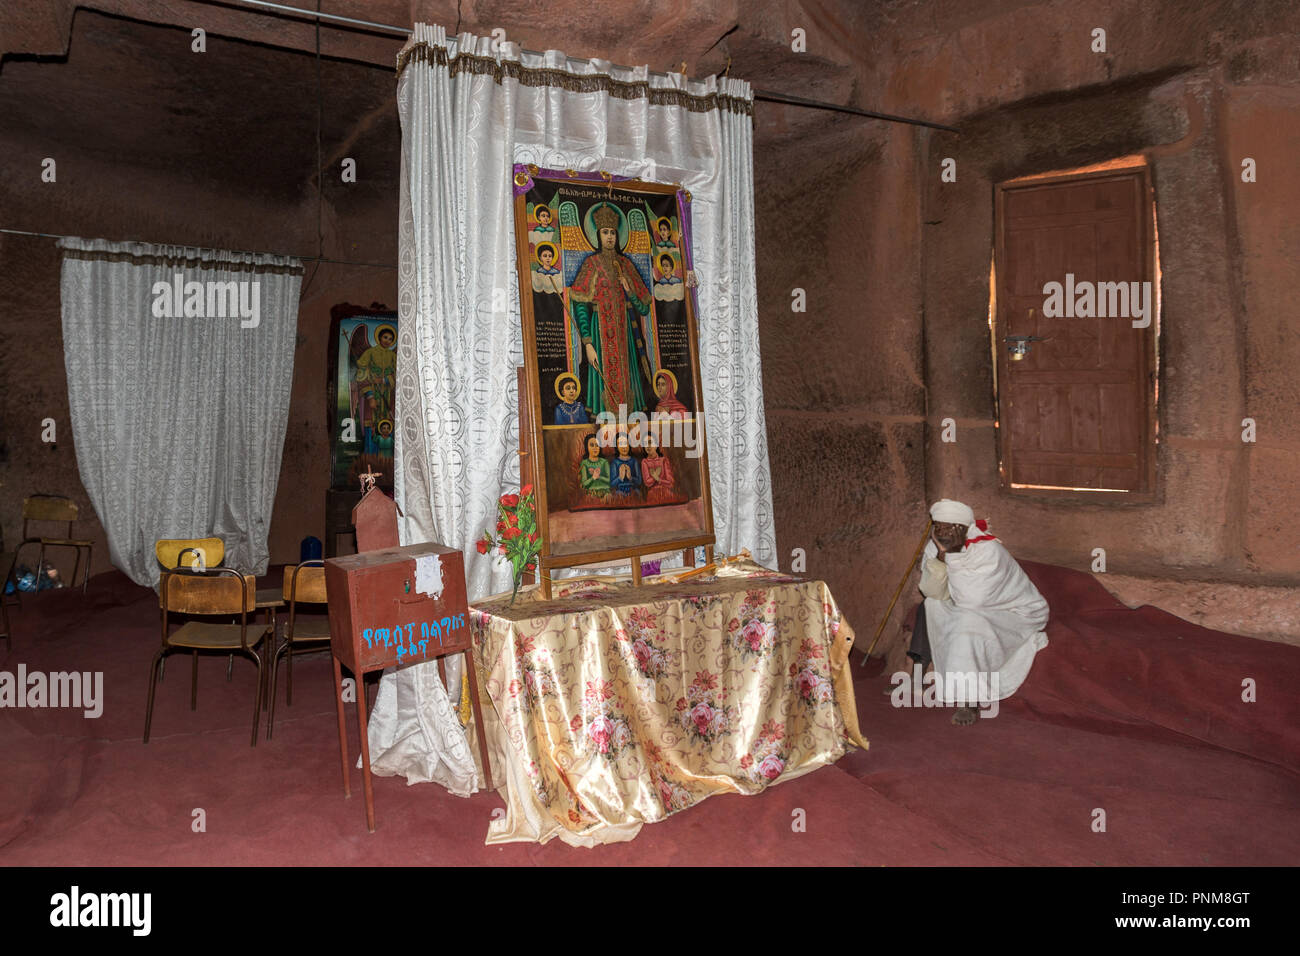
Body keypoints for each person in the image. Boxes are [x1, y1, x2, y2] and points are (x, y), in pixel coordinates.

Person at [905, 499, 1049, 725]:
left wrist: (952, 554)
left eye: (949, 527)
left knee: (967, 621)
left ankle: (969, 700)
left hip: (1016, 612)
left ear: (964, 528)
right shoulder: (935, 546)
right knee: (930, 605)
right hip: (968, 605)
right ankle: (916, 677)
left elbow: (974, 601)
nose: (942, 532)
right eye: (938, 526)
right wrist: (943, 555)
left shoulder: (989, 550)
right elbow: (931, 590)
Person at [568, 203, 654, 417]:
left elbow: (643, 308)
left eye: (613, 233)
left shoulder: (626, 264)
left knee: (629, 389)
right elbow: (580, 304)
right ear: (598, 234)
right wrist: (587, 343)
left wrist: (629, 291)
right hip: (600, 333)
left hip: (626, 337)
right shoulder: (592, 263)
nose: (609, 237)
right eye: (605, 232)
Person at [640, 431, 676, 503]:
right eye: (645, 444)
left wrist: (658, 479)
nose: (648, 446)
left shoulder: (663, 460)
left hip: (666, 492)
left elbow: (671, 482)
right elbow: (647, 482)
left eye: (650, 442)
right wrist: (656, 477)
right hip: (652, 494)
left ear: (656, 444)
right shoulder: (644, 462)